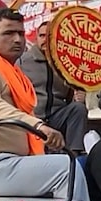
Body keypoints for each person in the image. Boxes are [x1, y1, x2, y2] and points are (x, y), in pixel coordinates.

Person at [0, 8, 90, 201]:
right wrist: (39, 126)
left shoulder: (14, 74)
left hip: (9, 164)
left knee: (66, 169)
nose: (17, 39)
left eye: (21, 34)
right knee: (68, 168)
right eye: (8, 33)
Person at [17, 22, 89, 154]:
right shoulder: (23, 62)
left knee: (78, 108)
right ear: (36, 38)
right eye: (42, 36)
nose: (45, 40)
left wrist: (79, 97)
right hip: (34, 119)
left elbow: (71, 96)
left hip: (57, 115)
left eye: (50, 36)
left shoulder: (66, 63)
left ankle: (75, 154)